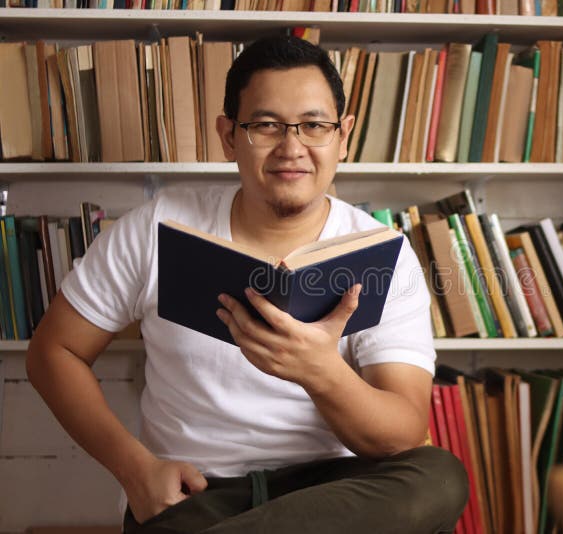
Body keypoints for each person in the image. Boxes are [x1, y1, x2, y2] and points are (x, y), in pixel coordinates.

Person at [26, 35, 468, 533]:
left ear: (342, 135)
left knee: (441, 475)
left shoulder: (382, 254)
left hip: (335, 496)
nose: (292, 148)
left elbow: (401, 434)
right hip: (198, 492)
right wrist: (137, 470)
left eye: (314, 125)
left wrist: (319, 370)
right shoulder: (158, 229)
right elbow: (53, 351)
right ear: (228, 135)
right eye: (265, 125)